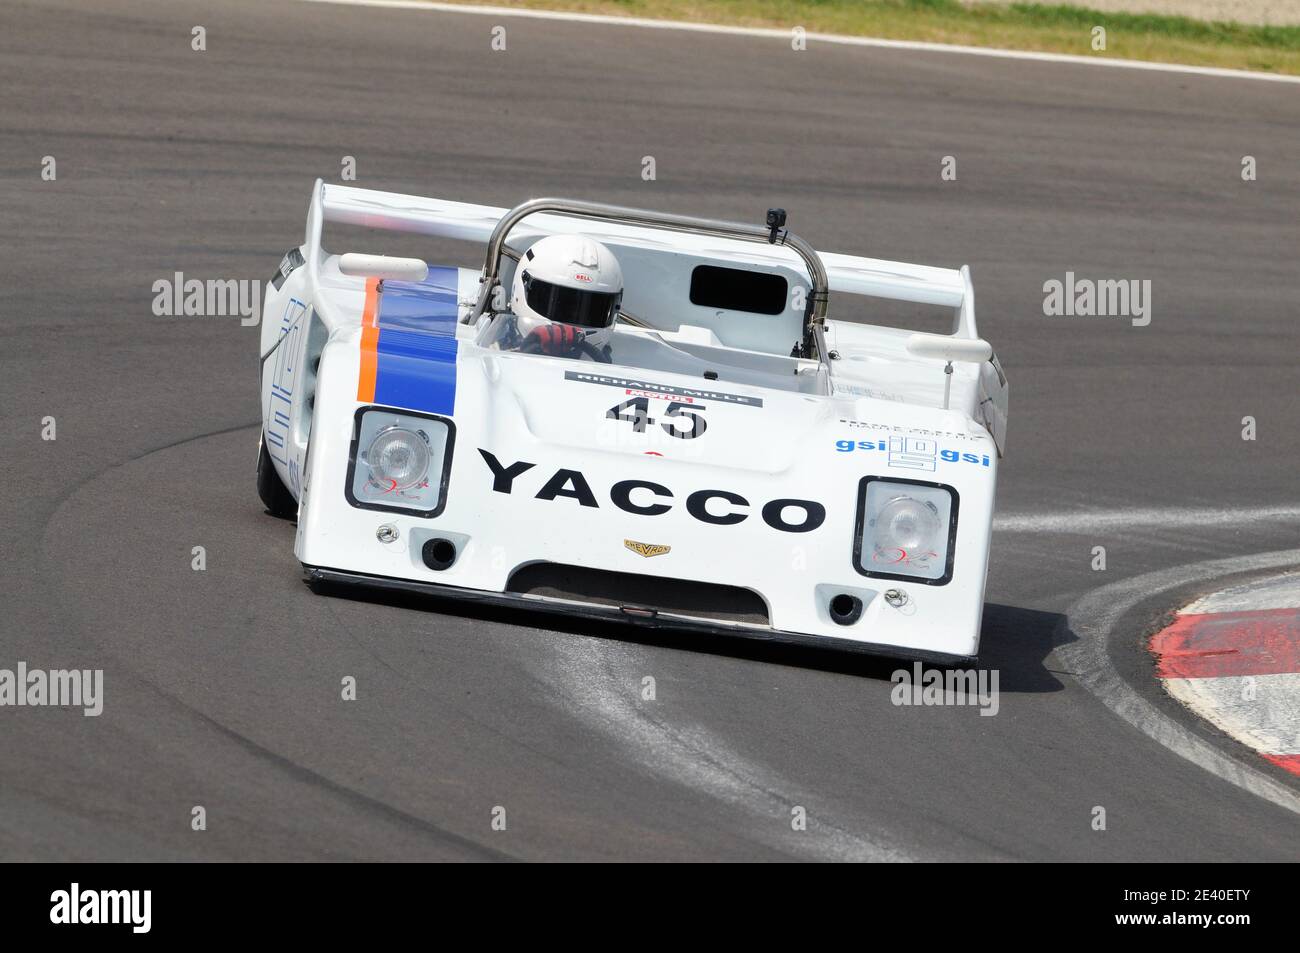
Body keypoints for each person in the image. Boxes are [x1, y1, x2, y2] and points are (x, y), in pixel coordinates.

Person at [508, 234, 623, 359]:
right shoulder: (491, 355)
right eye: (561, 305)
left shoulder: (620, 369)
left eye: (592, 309)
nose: (569, 328)